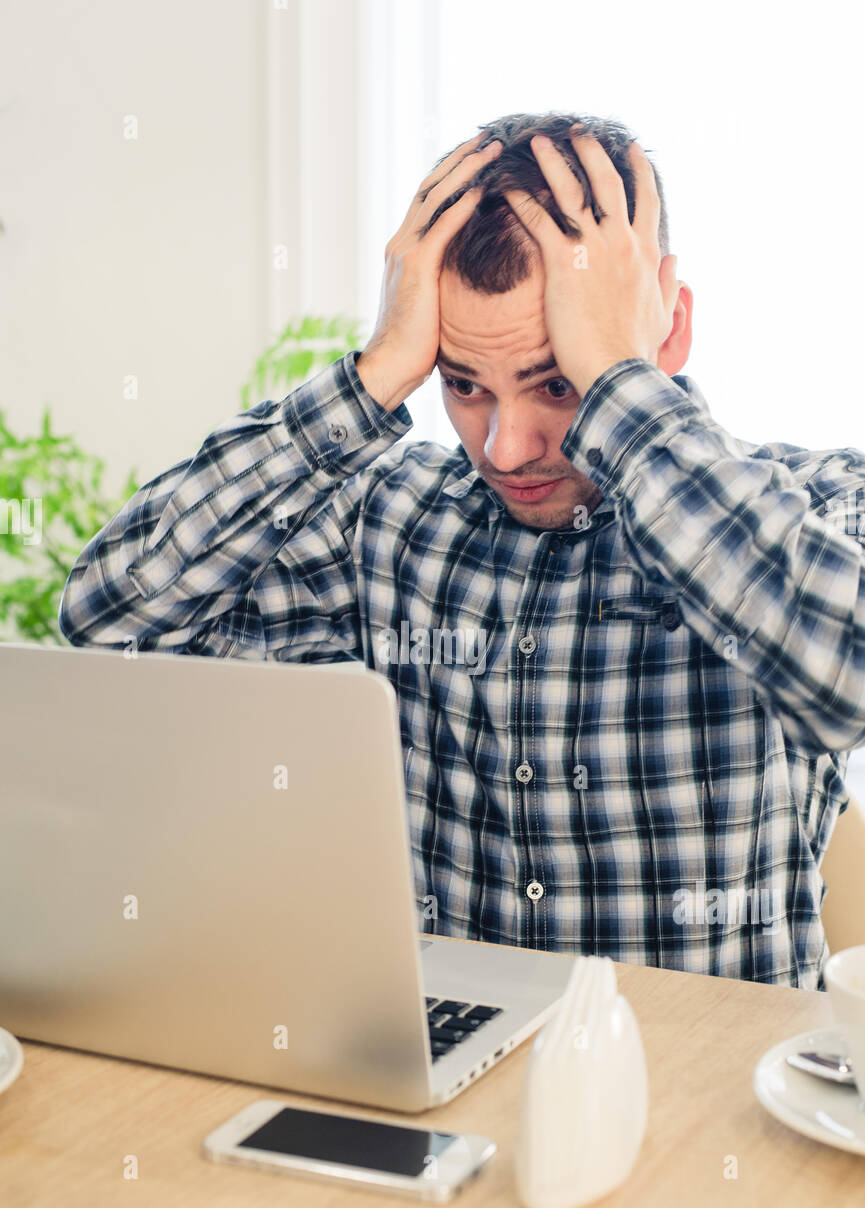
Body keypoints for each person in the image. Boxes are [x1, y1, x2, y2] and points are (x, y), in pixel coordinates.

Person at [59, 111, 865, 988]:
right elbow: (110, 621)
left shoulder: (816, 503)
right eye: (463, 384)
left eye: (558, 382)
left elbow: (845, 674)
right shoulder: (385, 520)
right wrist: (374, 376)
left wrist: (617, 385)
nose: (505, 449)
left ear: (665, 331)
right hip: (447, 1065)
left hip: (707, 1074)